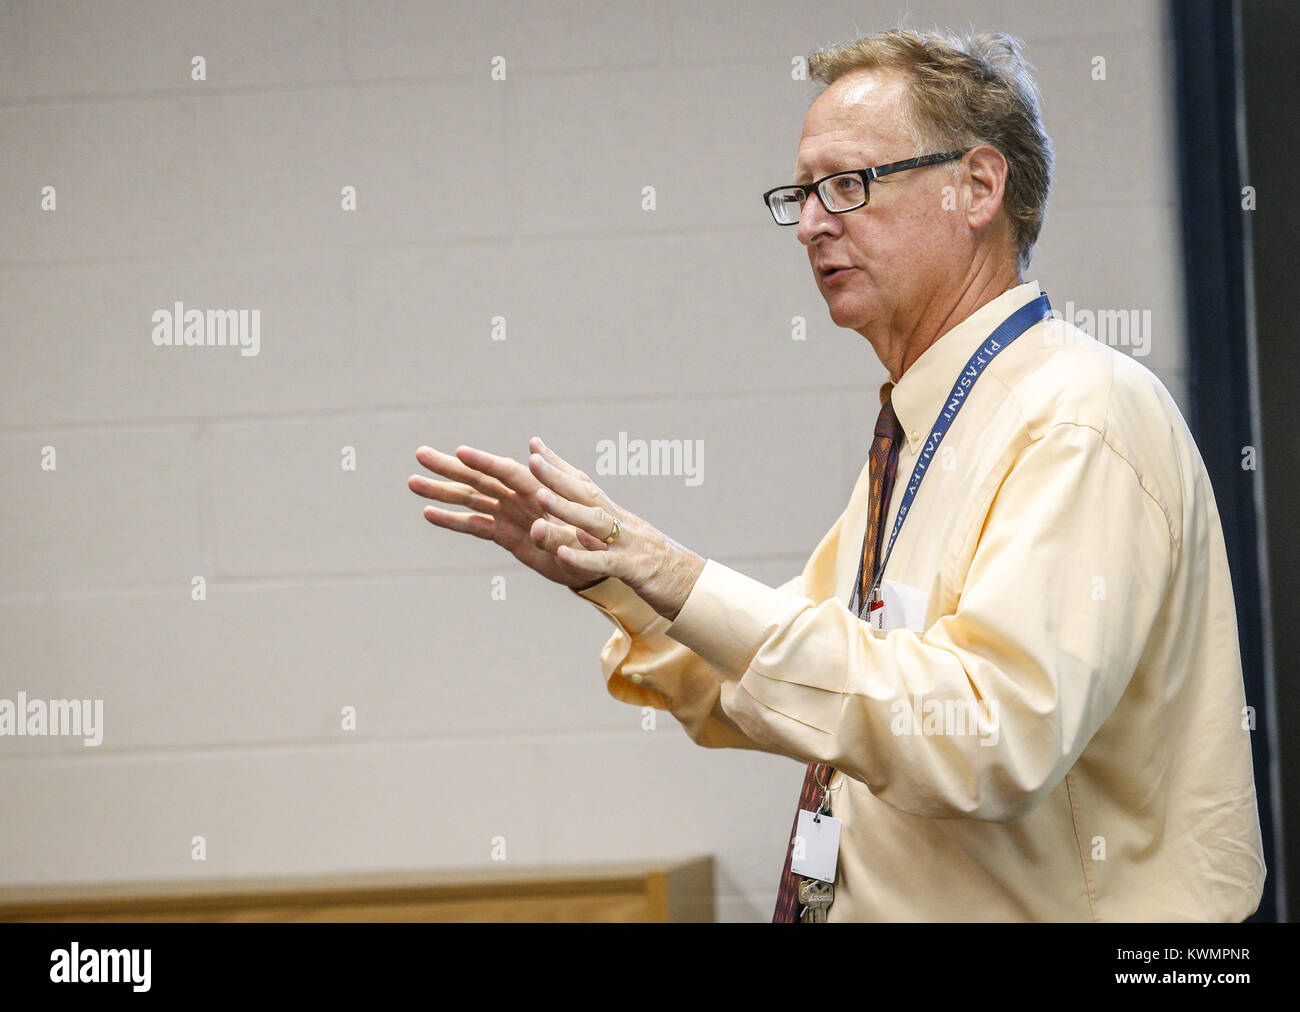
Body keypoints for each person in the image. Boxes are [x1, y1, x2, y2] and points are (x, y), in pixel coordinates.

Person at [408, 28, 1266, 921]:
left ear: (977, 187)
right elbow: (783, 685)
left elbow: (989, 735)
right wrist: (618, 577)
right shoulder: (927, 424)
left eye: (849, 184)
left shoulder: (1078, 414)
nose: (814, 222)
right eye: (803, 194)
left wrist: (673, 571)